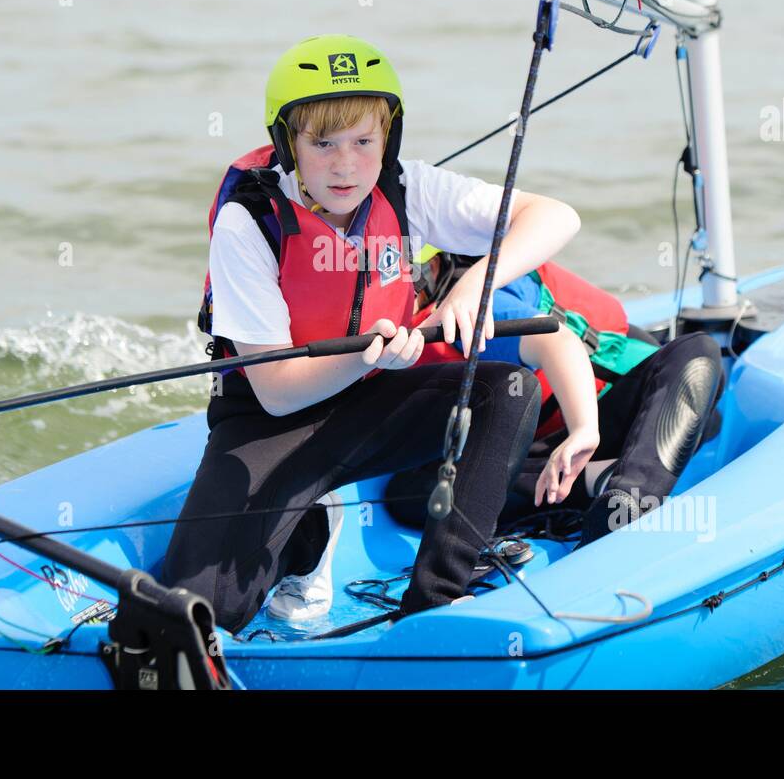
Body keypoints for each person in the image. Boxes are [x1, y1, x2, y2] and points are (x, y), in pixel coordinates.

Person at [158, 34, 582, 634]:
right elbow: (276, 389)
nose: (346, 164)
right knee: (206, 612)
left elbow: (556, 215)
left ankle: (434, 602)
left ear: (389, 139)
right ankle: (308, 535)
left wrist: (475, 285)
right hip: (270, 415)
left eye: (364, 141)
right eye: (322, 142)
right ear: (288, 144)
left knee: (508, 390)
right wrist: (361, 356)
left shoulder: (406, 186)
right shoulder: (247, 221)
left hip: (376, 399)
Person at [387, 251, 724, 542]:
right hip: (546, 453)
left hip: (613, 418)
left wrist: (583, 429)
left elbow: (556, 342)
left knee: (699, 351)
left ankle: (633, 497)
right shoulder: (395, 332)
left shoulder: (472, 310)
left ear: (429, 269)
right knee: (410, 493)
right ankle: (598, 480)